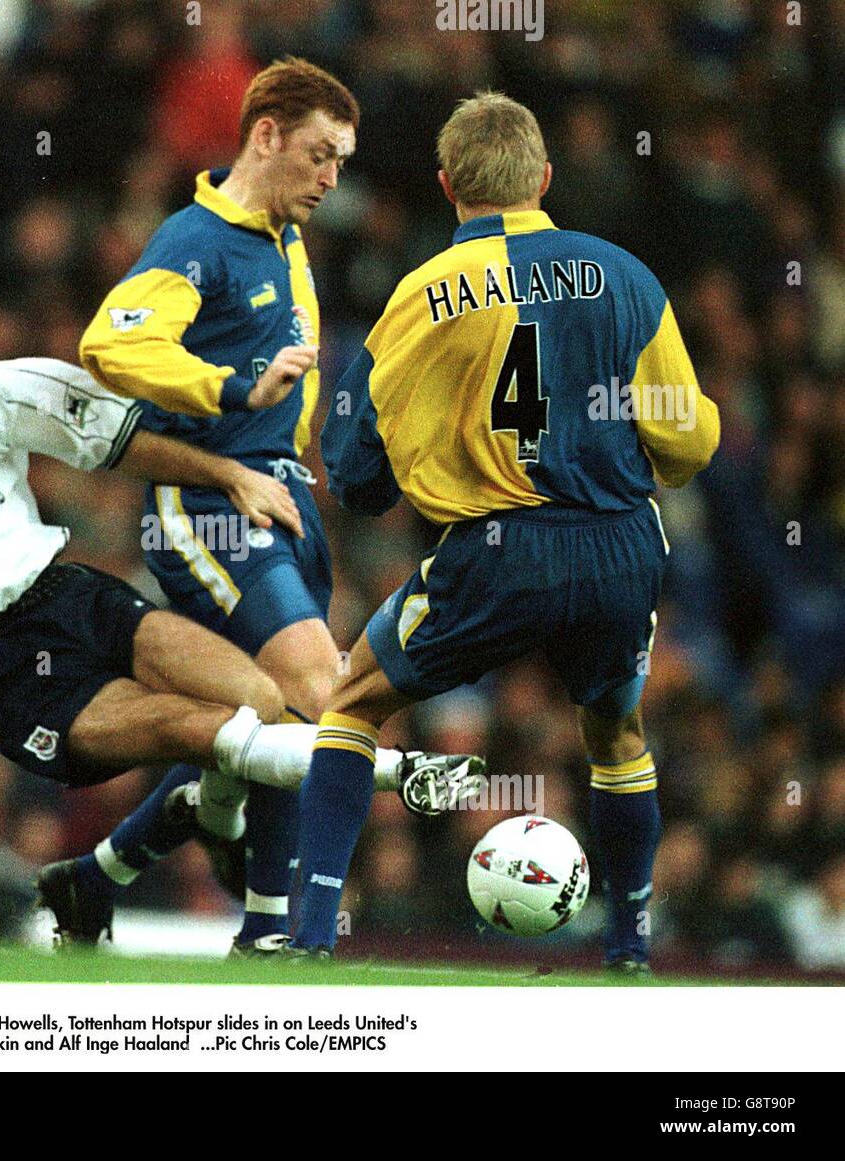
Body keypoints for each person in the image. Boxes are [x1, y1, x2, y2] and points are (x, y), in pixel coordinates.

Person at [0, 265, 477, 889]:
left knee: (259, 693)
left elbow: (121, 440)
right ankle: (404, 774)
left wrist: (226, 473)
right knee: (214, 729)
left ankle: (216, 819)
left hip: (71, 595)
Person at [50, 57, 481, 954]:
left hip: (284, 498)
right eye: (320, 155)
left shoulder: (283, 239)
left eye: (343, 162)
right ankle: (321, 881)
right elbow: (108, 343)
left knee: (278, 722)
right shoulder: (194, 242)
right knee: (327, 692)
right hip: (209, 505)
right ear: (265, 135)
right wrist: (231, 387)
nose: (332, 179)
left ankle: (107, 878)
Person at [284, 93, 720, 971]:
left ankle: (310, 931)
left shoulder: (421, 294)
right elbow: (688, 438)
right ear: (545, 180)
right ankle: (632, 943)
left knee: (354, 701)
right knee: (615, 734)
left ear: (448, 186)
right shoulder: (625, 275)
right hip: (618, 545)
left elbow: (357, 460)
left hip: (496, 549)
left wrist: (391, 481)